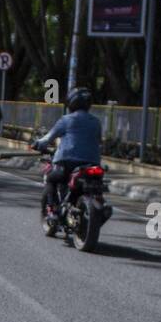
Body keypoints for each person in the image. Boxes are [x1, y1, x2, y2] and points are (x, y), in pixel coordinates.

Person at [33, 87, 102, 226]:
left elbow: (48, 138)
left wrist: (38, 144)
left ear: (72, 102)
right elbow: (98, 141)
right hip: (92, 164)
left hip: (68, 162)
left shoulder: (66, 120)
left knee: (51, 179)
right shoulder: (96, 122)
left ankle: (52, 211)